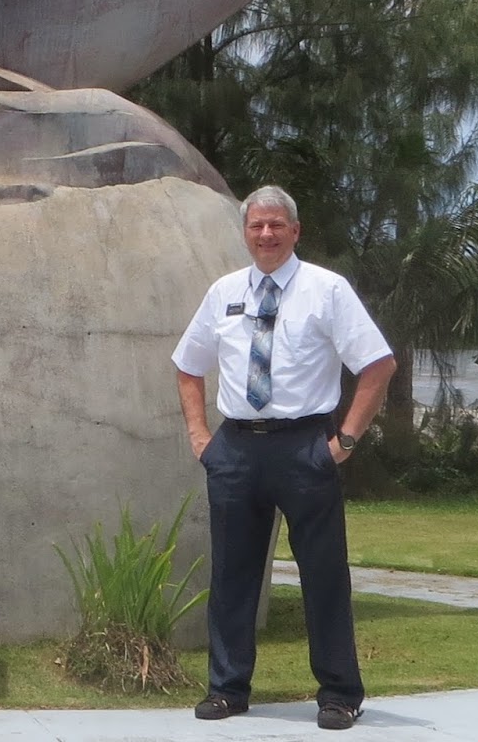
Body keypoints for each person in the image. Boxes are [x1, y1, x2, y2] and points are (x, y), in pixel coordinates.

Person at [171, 185, 396, 731]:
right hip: (236, 448)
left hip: (304, 446)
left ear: (295, 232)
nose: (266, 235)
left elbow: (377, 365)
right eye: (256, 226)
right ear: (245, 233)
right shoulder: (224, 291)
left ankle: (340, 694)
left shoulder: (326, 289)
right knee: (231, 575)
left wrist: (345, 441)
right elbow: (187, 364)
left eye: (276, 225)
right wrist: (201, 436)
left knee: (322, 572)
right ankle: (227, 688)